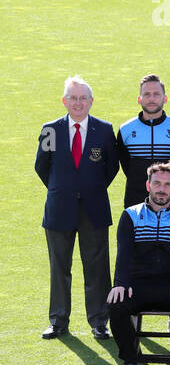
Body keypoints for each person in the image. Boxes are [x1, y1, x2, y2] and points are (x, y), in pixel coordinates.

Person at [36, 75, 117, 340]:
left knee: (97, 267)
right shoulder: (50, 130)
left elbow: (111, 167)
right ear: (64, 101)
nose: (78, 103)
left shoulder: (104, 130)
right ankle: (58, 321)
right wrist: (63, 189)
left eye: (83, 98)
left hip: (94, 208)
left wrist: (89, 189)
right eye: (73, 98)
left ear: (91, 101)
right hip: (59, 209)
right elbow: (42, 166)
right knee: (59, 266)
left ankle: (99, 321)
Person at [106, 162, 170, 365]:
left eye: (167, 185)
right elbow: (123, 254)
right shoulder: (131, 215)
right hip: (138, 286)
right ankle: (131, 364)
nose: (162, 189)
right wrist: (120, 284)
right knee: (115, 304)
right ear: (148, 185)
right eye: (157, 183)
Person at [116, 74, 170, 209]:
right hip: (134, 199)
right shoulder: (126, 129)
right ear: (139, 99)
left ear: (165, 98)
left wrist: (169, 183)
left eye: (156, 94)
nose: (151, 99)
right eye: (146, 94)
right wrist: (138, 180)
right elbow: (125, 164)